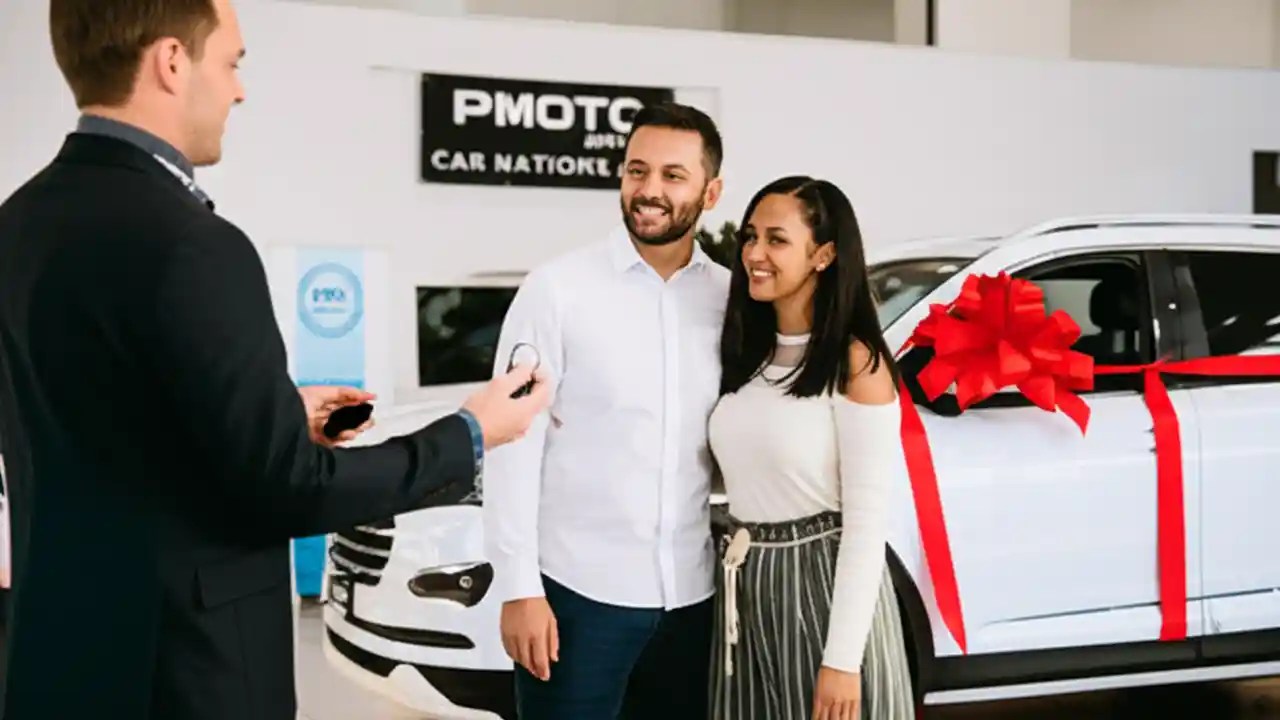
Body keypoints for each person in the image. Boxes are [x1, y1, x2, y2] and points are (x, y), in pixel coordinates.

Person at [0, 1, 549, 719]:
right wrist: (472, 432)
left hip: (52, 658)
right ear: (171, 62)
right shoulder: (196, 244)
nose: (239, 90)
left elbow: (105, 425)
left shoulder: (20, 223)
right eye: (230, 63)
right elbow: (288, 488)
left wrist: (277, 411)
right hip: (183, 674)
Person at [483, 101, 730, 719]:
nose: (649, 190)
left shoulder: (731, 301)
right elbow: (513, 441)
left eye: (673, 175)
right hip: (576, 601)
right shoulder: (558, 289)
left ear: (711, 191)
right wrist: (518, 587)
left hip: (693, 602)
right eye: (635, 170)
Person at [707, 176, 915, 719]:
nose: (754, 252)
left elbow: (869, 523)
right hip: (746, 589)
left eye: (776, 239)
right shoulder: (745, 356)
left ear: (823, 254)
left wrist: (843, 660)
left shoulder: (856, 363)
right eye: (750, 237)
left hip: (823, 590)